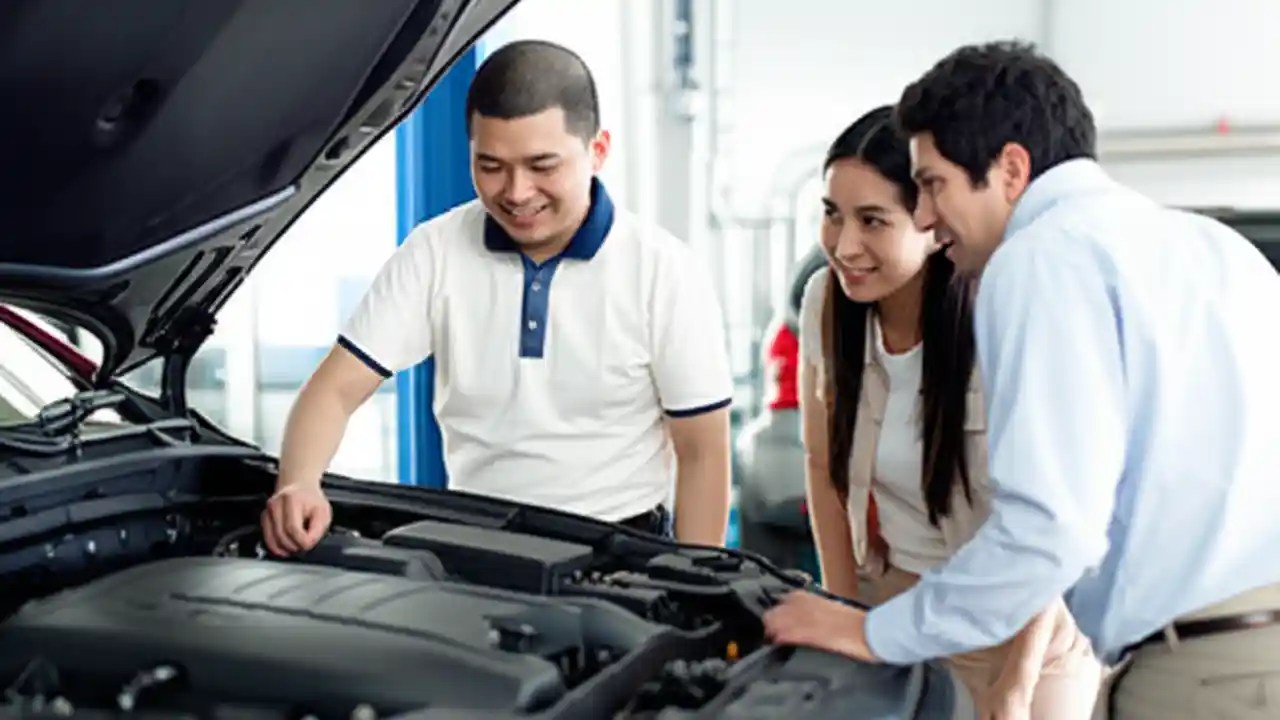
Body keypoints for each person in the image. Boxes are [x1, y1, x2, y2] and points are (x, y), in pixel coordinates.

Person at [763, 40, 1280, 718]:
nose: (925, 216)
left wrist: (867, 632)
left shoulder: (1040, 259)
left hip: (1199, 668)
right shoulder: (1212, 248)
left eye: (933, 185)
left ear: (1010, 168)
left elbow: (1049, 527)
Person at [260, 40, 735, 554]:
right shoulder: (435, 251)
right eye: (490, 166)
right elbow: (334, 389)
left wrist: (697, 578)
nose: (516, 192)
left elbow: (703, 452)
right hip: (473, 545)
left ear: (597, 151)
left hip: (620, 551)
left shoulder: (664, 270)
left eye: (543, 166)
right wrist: (299, 483)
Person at [796, 105, 1101, 718]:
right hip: (897, 612)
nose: (844, 245)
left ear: (932, 223)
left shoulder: (1005, 316)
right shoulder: (826, 303)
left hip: (1021, 630)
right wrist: (843, 614)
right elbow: (822, 461)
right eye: (832, 215)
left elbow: (1057, 519)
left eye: (873, 220)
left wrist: (1015, 684)